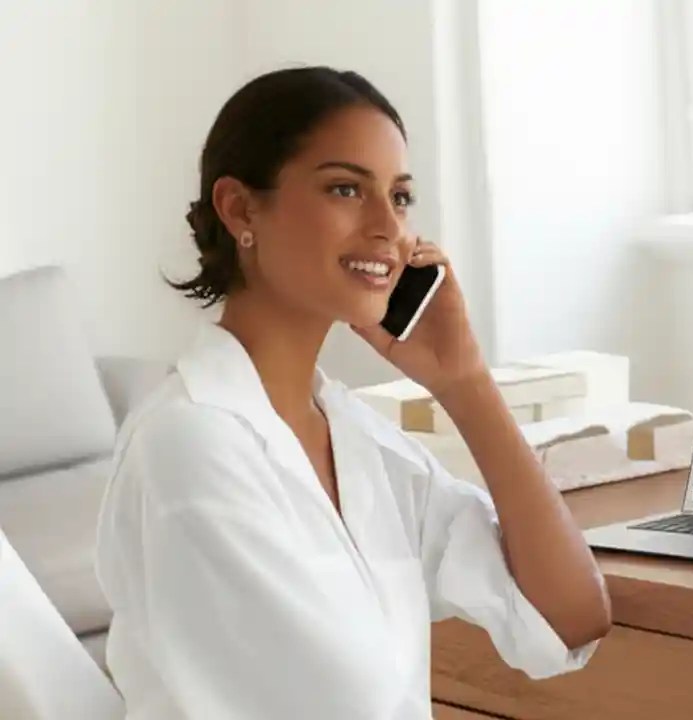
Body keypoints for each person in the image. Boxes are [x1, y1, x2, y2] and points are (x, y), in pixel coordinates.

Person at [93, 67, 611, 719]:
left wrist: (465, 382)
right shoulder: (192, 446)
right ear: (240, 208)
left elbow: (569, 617)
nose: (387, 228)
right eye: (346, 189)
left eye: (399, 197)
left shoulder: (347, 433)